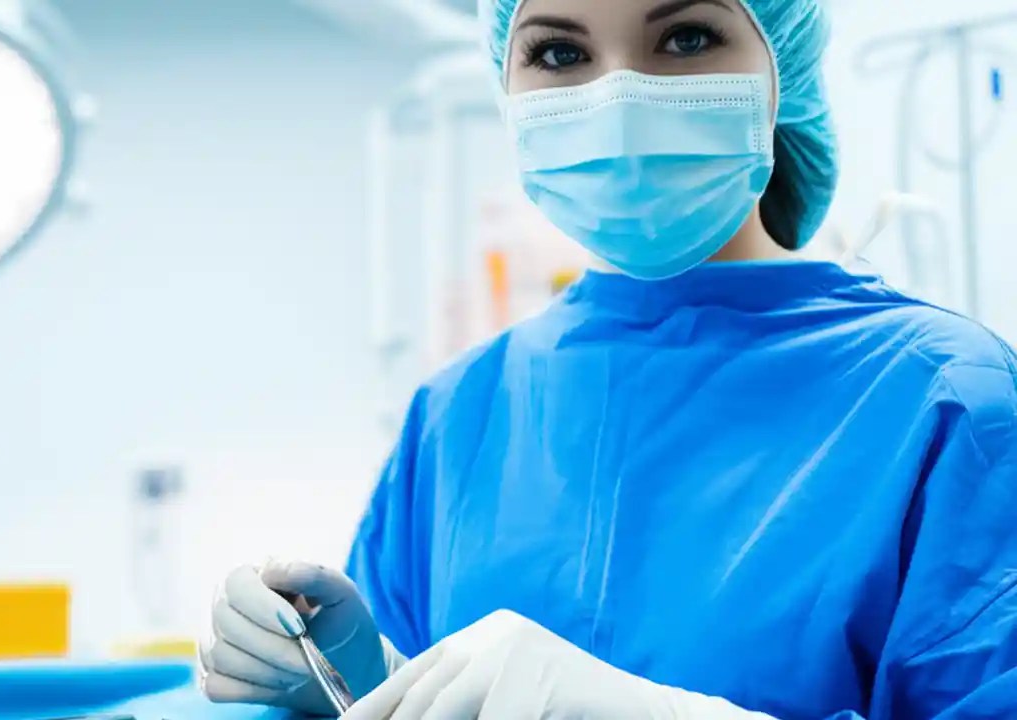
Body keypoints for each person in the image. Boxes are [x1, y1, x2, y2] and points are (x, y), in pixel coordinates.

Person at [200, 0, 1017, 717]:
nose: (618, 98)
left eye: (687, 37)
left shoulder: (943, 397)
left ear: (783, 72)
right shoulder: (459, 412)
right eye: (560, 52)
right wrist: (359, 680)